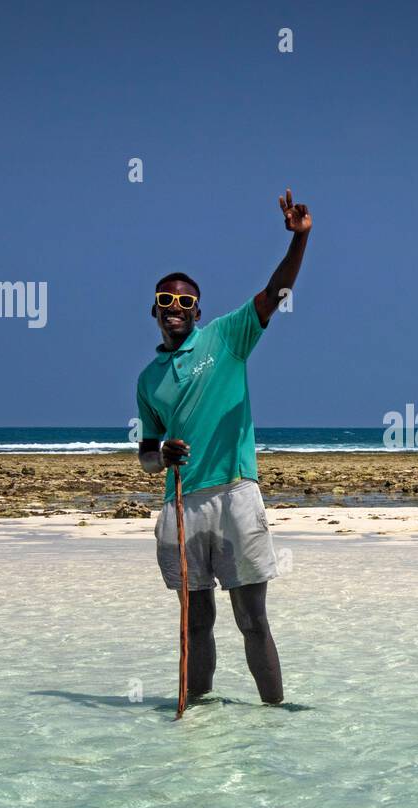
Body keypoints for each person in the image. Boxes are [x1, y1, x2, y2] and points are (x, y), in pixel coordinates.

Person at [135, 188, 311, 704]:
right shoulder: (148, 380)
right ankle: (202, 722)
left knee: (251, 618)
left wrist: (300, 241)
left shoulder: (227, 337)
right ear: (154, 310)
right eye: (166, 300)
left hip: (235, 494)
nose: (176, 308)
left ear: (197, 309)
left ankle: (275, 718)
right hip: (181, 504)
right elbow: (147, 457)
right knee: (196, 623)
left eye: (185, 301)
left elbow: (275, 292)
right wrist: (159, 454)